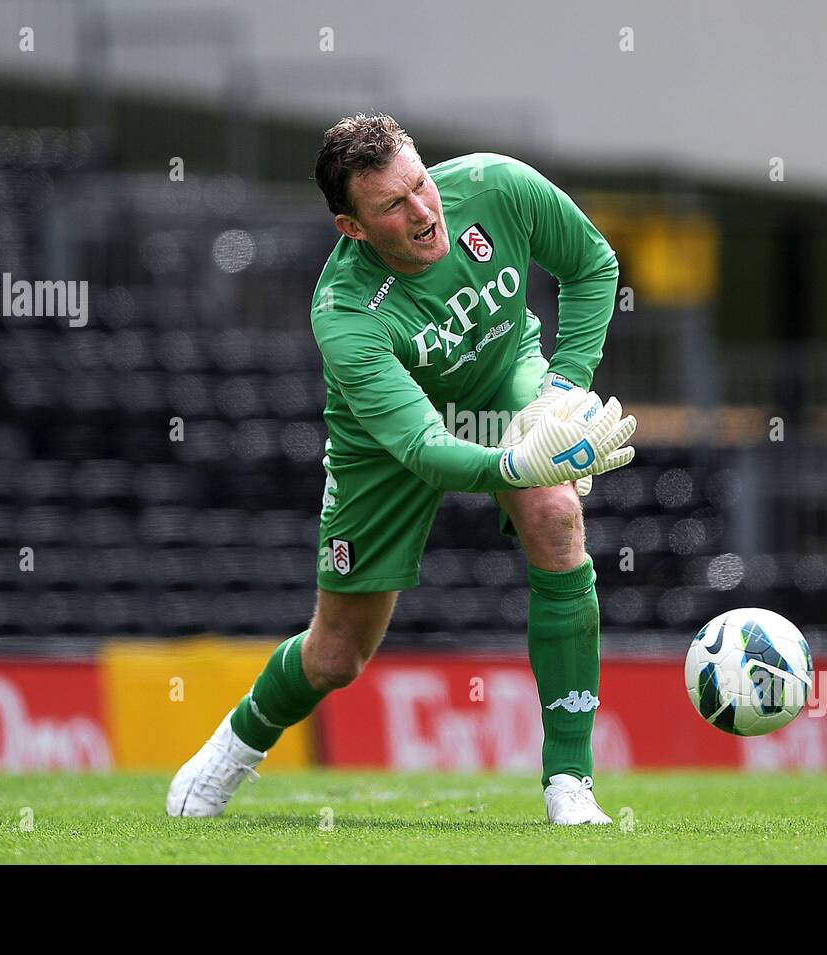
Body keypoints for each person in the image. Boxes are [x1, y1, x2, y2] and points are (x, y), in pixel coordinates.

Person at [168, 112, 636, 824]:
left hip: (500, 373)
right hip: (384, 441)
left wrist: (562, 392)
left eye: (420, 185)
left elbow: (593, 265)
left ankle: (568, 781)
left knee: (555, 511)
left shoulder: (496, 185)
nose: (423, 212)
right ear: (351, 228)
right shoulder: (345, 314)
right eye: (393, 204)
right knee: (336, 656)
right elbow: (422, 448)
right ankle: (234, 747)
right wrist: (515, 459)